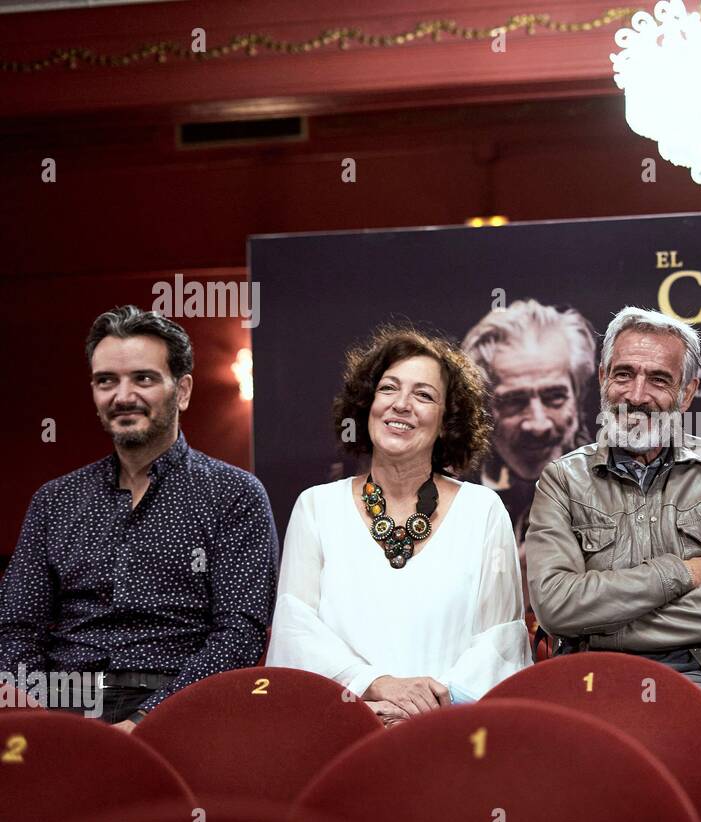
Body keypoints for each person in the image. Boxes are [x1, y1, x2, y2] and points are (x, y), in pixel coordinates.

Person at [525, 306, 701, 756]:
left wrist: (602, 626)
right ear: (604, 377)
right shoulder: (562, 480)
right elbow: (555, 607)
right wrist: (681, 573)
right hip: (592, 678)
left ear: (687, 393)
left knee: (680, 737)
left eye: (659, 380)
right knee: (577, 754)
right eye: (624, 374)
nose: (637, 394)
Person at [0, 306, 278, 729]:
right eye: (106, 381)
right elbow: (15, 627)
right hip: (61, 704)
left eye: (143, 378)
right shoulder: (54, 501)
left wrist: (148, 720)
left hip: (180, 708)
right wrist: (49, 717)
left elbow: (238, 636)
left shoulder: (233, 495)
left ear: (182, 390)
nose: (123, 396)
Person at [267, 326, 528, 724]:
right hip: (343, 729)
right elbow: (294, 633)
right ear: (367, 404)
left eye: (423, 395)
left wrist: (424, 712)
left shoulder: (484, 510)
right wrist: (377, 685)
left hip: (448, 735)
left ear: (446, 421)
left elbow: (501, 645)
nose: (401, 404)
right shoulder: (316, 506)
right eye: (388, 388)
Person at [462, 299, 597, 546]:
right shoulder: (452, 507)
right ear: (481, 408)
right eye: (514, 401)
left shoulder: (617, 496)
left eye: (555, 397)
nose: (538, 424)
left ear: (577, 399)